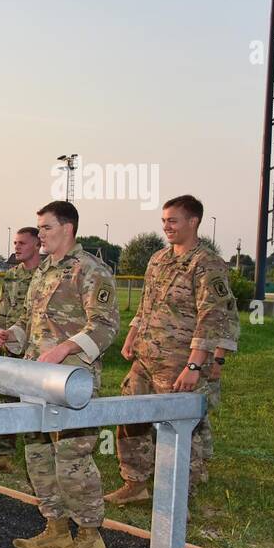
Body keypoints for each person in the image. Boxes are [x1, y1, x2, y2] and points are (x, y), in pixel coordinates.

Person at [0, 201, 119, 548]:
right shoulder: (43, 270)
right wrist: (9, 336)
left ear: (68, 228)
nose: (41, 234)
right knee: (38, 455)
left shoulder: (91, 270)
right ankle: (56, 528)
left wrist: (64, 349)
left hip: (72, 382)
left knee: (72, 459)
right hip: (36, 379)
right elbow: (33, 326)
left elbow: (106, 327)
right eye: (40, 229)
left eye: (46, 228)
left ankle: (90, 534)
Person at [105, 195, 239, 504]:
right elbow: (146, 303)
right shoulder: (158, 259)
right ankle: (135, 483)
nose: (166, 226)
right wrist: (132, 335)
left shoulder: (206, 263)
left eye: (173, 220)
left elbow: (213, 316)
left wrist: (194, 366)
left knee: (179, 430)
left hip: (179, 362)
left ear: (193, 222)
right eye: (164, 220)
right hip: (147, 356)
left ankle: (179, 498)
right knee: (129, 416)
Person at [0, 227, 41, 473]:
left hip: (36, 346)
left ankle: (37, 457)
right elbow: (2, 310)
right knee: (6, 399)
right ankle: (1, 455)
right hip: (11, 344)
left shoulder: (46, 275)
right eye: (15, 243)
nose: (17, 247)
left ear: (37, 245)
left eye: (22, 243)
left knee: (34, 400)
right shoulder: (12, 275)